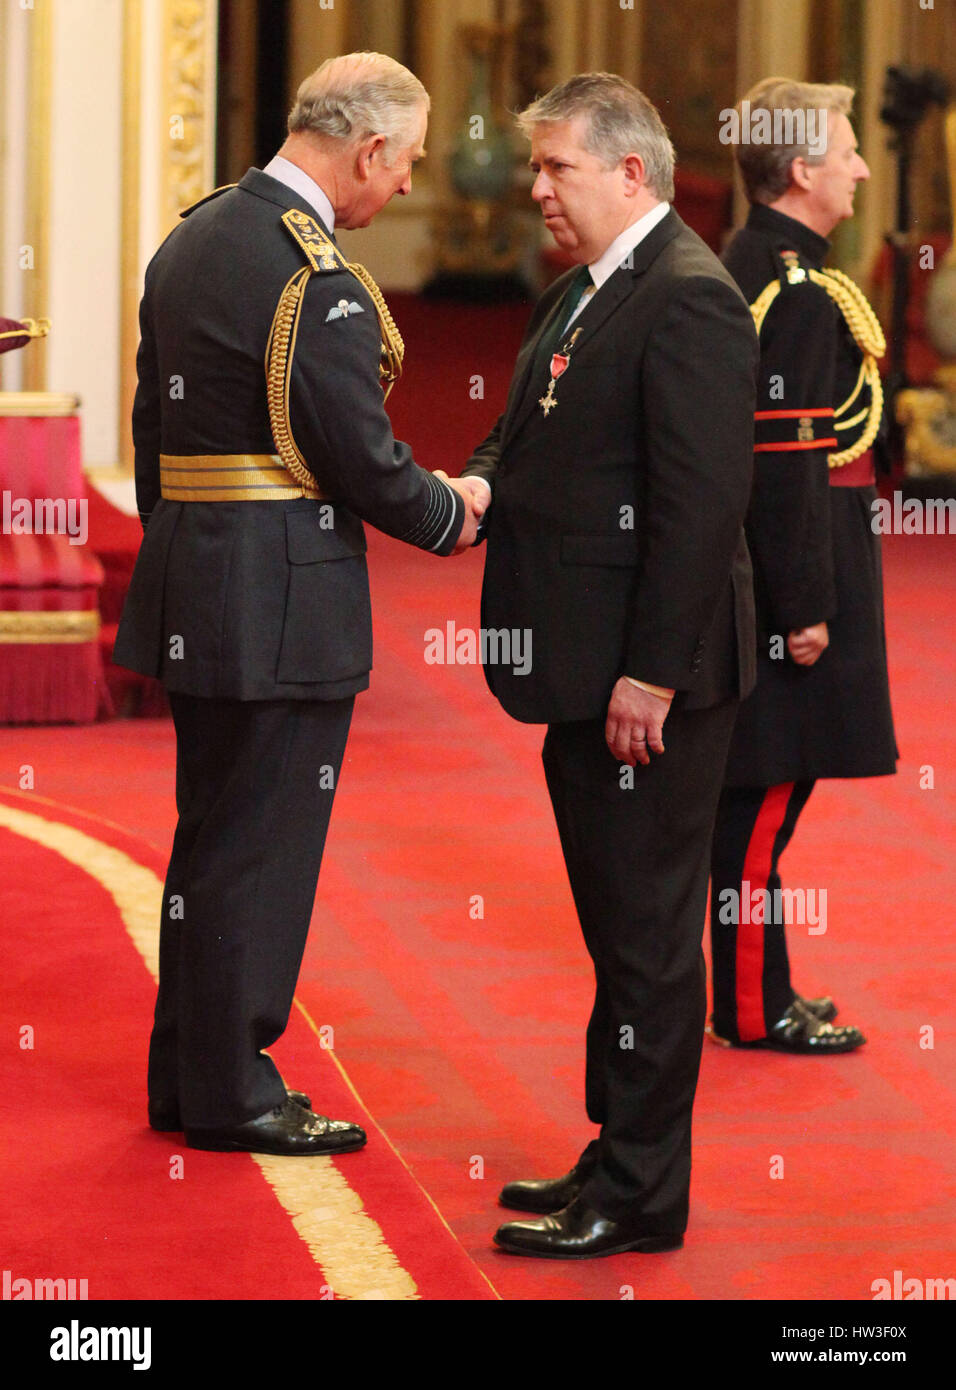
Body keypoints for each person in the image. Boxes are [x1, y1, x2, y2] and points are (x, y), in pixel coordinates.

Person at [114, 52, 486, 1156]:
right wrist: (452, 512)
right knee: (260, 846)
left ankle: (189, 1074)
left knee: (212, 836)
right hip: (279, 594)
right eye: (406, 163)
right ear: (368, 149)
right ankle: (234, 1090)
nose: (408, 186)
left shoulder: (195, 234)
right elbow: (361, 460)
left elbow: (152, 434)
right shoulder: (310, 275)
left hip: (196, 571)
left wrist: (188, 545)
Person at [461, 73, 758, 1258]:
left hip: (647, 688)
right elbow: (518, 423)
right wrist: (474, 484)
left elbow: (698, 510)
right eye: (533, 168)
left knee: (643, 937)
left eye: (555, 169)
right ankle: (615, 1147)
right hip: (585, 672)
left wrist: (650, 676)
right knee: (616, 932)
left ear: (629, 174)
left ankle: (639, 1193)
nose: (535, 187)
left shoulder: (686, 297)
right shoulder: (588, 289)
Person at [708, 78, 897, 1055]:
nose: (861, 166)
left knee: (764, 800)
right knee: (758, 802)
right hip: (788, 576)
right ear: (798, 170)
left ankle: (765, 983)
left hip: (789, 564)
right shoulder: (792, 287)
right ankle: (750, 1004)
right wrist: (802, 606)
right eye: (845, 149)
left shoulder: (772, 269)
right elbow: (781, 465)